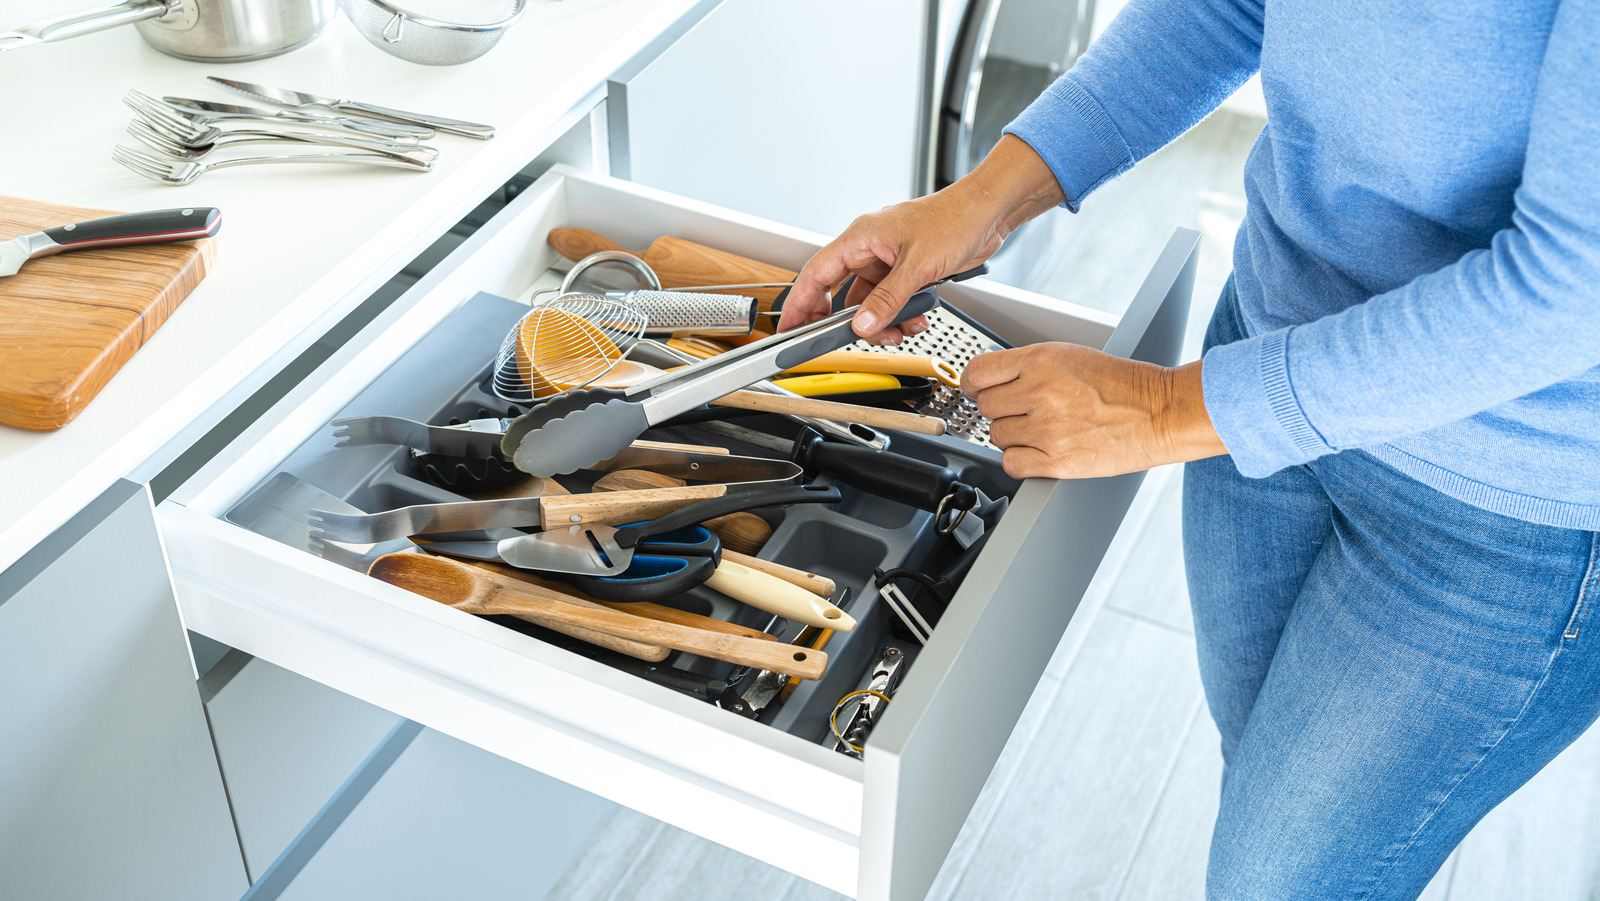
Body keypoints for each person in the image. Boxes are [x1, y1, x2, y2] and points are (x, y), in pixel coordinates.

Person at [776, 1, 1600, 898]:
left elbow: (1572, 290)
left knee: (1275, 882)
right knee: (1268, 798)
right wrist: (981, 200)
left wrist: (1164, 407)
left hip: (1503, 502)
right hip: (1267, 366)